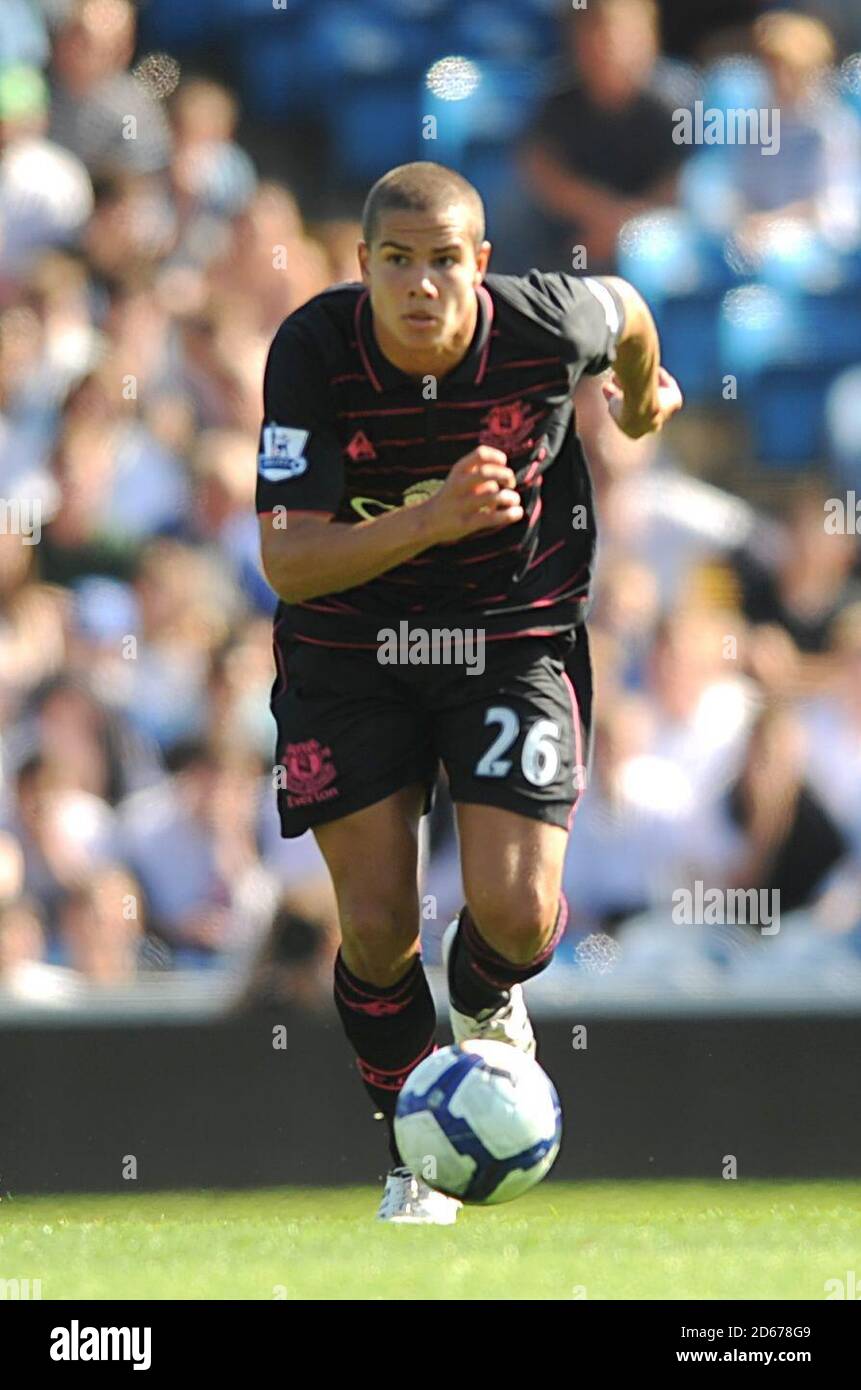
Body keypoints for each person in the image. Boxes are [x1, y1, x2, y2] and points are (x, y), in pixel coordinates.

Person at [256, 162, 682, 1222]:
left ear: (480, 266)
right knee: (377, 928)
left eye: (444, 261)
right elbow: (288, 557)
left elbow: (626, 310)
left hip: (509, 635)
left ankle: (490, 990)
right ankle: (417, 1151)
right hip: (352, 646)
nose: (421, 285)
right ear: (363, 269)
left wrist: (636, 396)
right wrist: (431, 520)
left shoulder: (541, 323)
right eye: (396, 262)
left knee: (519, 910)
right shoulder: (313, 349)